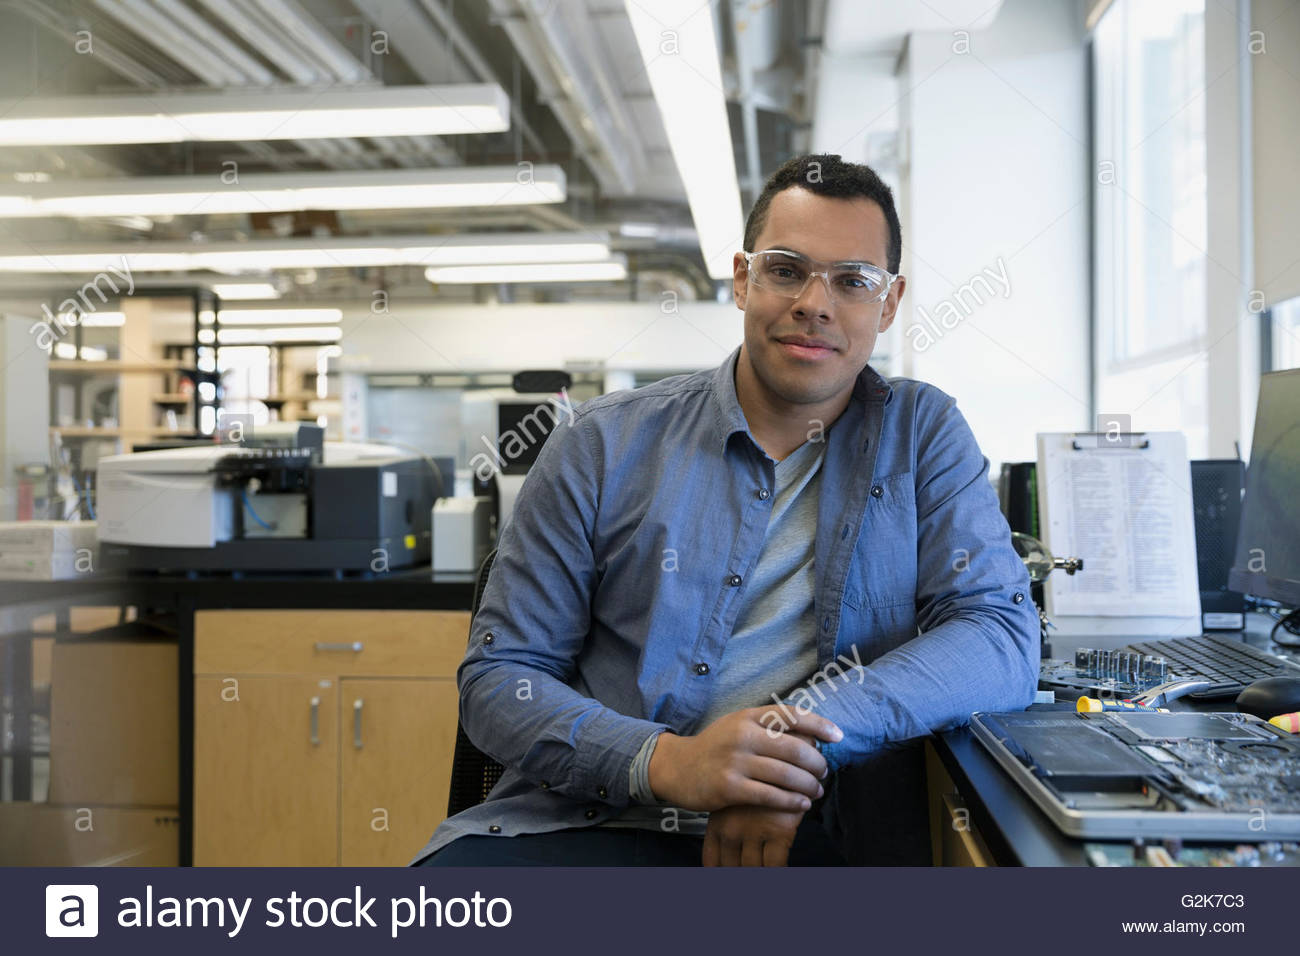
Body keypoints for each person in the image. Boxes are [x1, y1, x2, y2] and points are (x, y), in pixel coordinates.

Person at [411, 153, 1039, 867]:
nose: (814, 302)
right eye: (786, 269)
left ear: (889, 304)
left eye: (853, 280)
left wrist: (791, 740)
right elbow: (500, 681)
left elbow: (999, 639)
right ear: (743, 279)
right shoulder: (601, 443)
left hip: (813, 831)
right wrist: (669, 764)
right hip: (588, 821)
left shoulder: (922, 434)